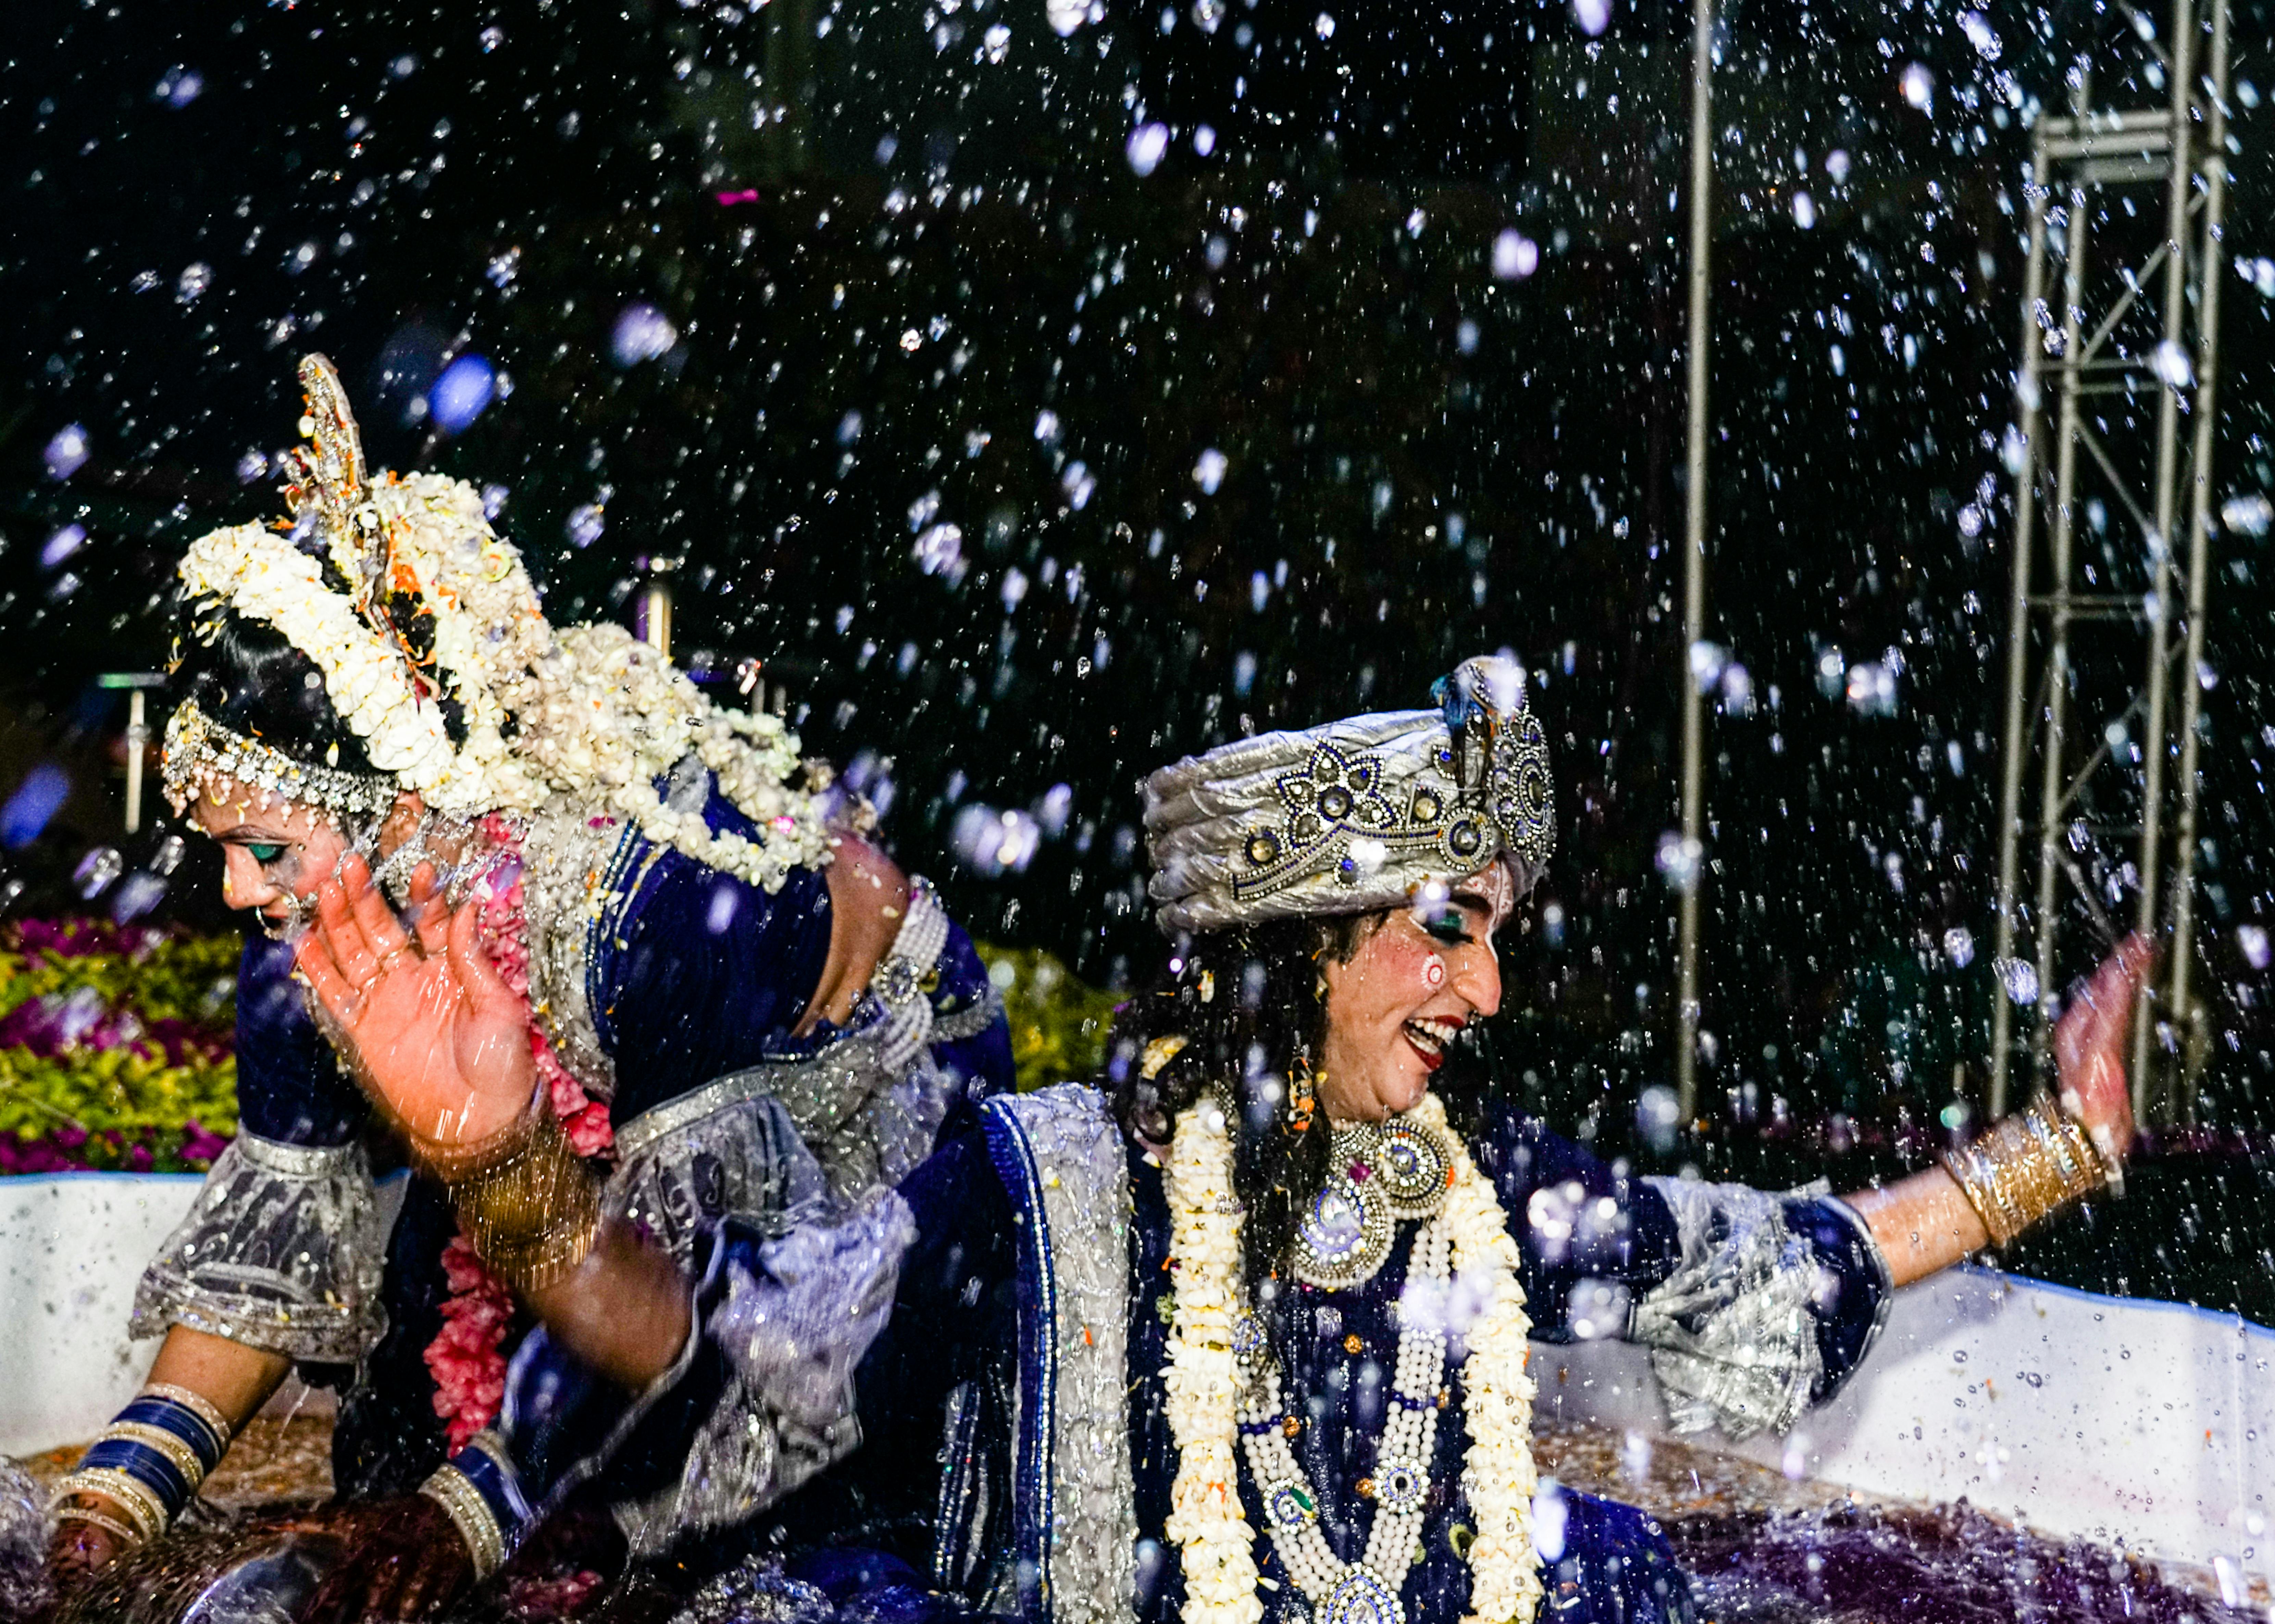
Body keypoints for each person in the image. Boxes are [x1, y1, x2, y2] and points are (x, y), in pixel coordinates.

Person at [274, 654, 2137, 1623]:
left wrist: (2055, 1144)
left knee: (1616, 1573)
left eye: (1487, 936)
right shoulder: (1028, 1183)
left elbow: (1736, 1259)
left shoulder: (1468, 1197)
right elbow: (706, 1344)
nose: (1477, 995)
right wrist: (504, 1164)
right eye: (1442, 929)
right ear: (1295, 951)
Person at [43, 356, 1013, 1619]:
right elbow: (271, 1253)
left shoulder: (646, 903)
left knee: (753, 1556)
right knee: (392, 1447)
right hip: (561, 1209)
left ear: (400, 804)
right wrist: (109, 1502)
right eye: (218, 847)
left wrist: (473, 1509)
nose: (233, 891)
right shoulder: (313, 918)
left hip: (823, 1222)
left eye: (262, 848)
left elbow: (697, 1315)